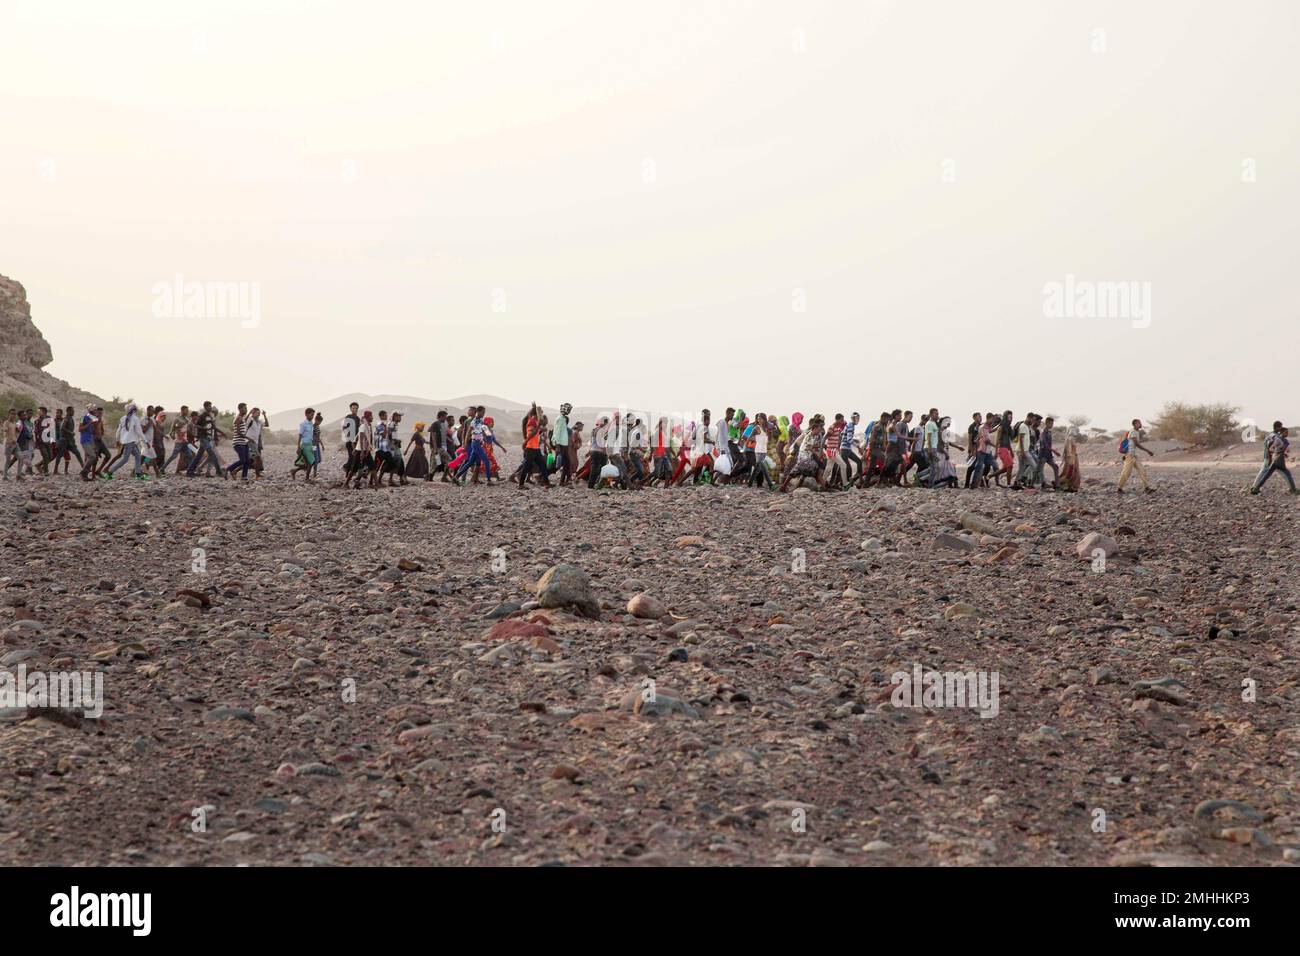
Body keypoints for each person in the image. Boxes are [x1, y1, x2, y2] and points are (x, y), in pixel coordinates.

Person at [1248, 422, 1296, 495]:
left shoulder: (1269, 435)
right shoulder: (1275, 436)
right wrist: (1276, 453)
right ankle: (1292, 489)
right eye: (1281, 427)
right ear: (1277, 428)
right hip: (1273, 458)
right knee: (1283, 473)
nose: (1281, 429)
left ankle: (1254, 488)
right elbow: (1271, 446)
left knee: (1264, 473)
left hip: (1269, 457)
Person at [102, 403, 147, 480]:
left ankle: (138, 474)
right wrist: (145, 441)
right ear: (135, 410)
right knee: (124, 459)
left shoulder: (123, 418)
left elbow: (118, 430)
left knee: (138, 456)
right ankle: (110, 472)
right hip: (130, 442)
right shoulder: (135, 419)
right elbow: (139, 431)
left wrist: (117, 439)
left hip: (128, 442)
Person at [1116, 418, 1155, 494]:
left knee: (1142, 470)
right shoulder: (1133, 432)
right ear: (1135, 424)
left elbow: (1133, 445)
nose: (1141, 424)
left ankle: (1147, 488)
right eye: (1139, 423)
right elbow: (1137, 444)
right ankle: (1119, 488)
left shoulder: (1136, 432)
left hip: (1134, 456)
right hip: (1129, 456)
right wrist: (1148, 451)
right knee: (1126, 473)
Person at [290, 408, 317, 481]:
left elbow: (311, 436)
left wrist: (314, 447)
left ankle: (294, 471)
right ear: (306, 415)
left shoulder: (311, 423)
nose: (312, 416)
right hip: (305, 445)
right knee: (312, 461)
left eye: (313, 415)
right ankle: (307, 478)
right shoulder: (303, 424)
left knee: (308, 463)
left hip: (310, 444)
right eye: (311, 415)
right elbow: (300, 435)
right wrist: (298, 447)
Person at [1059, 424, 1082, 492]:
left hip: (1073, 457)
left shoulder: (1071, 438)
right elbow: (1069, 452)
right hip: (1071, 458)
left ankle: (1070, 486)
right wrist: (1072, 460)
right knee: (1070, 473)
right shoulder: (1070, 438)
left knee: (1071, 473)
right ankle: (1064, 486)